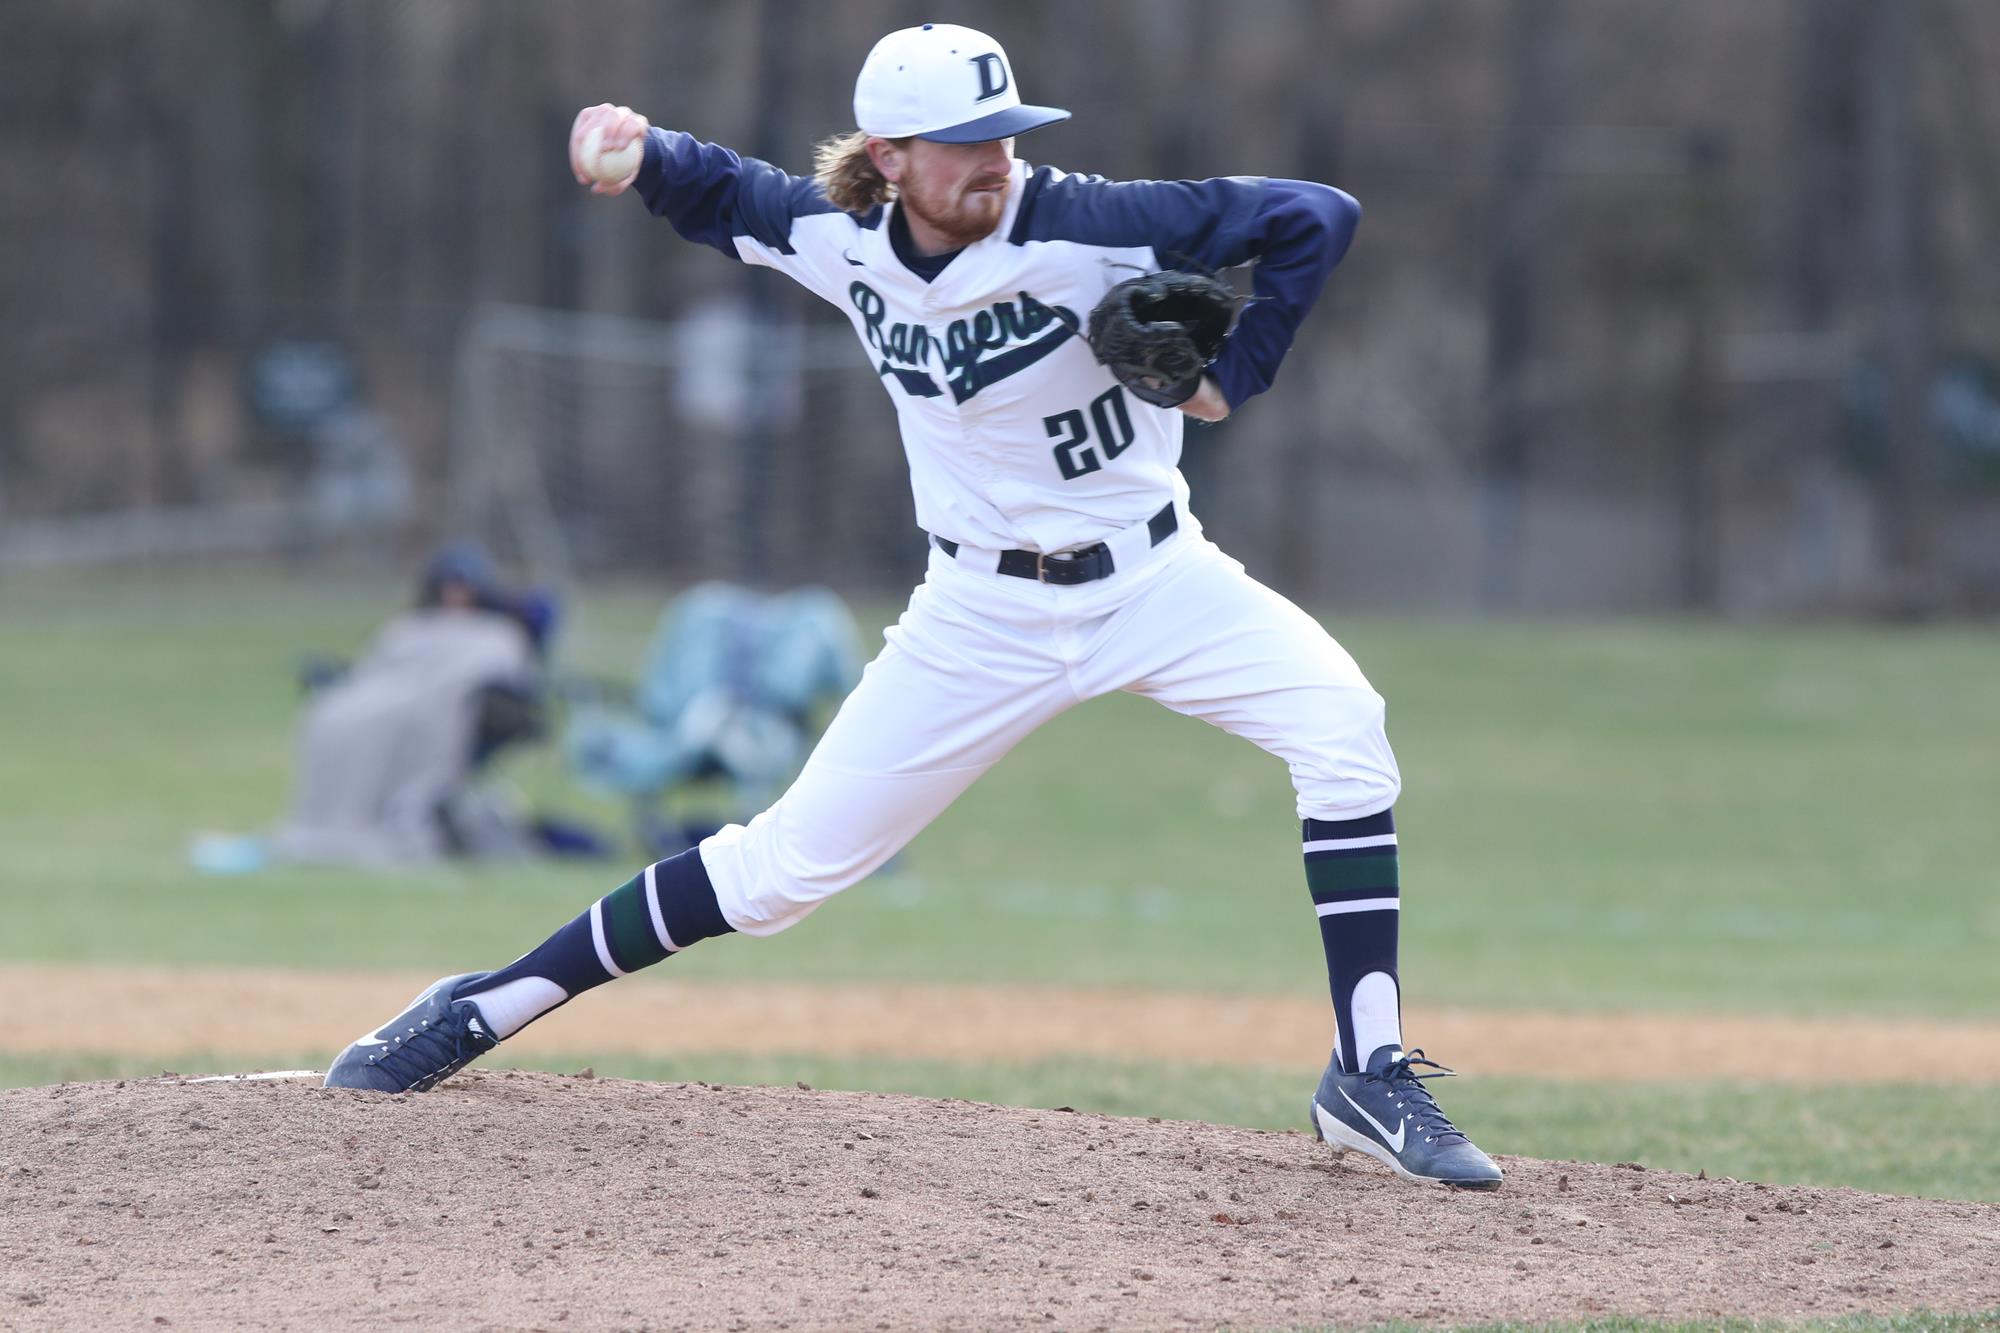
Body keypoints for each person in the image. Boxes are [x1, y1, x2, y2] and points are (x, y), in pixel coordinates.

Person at [325, 24, 1502, 1191]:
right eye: (964, 142)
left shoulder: (1086, 218)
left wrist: (1223, 377)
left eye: (1006, 132)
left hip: (1156, 581)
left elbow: (1317, 215)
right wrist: (633, 153)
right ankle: (487, 1003)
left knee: (1345, 731)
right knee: (780, 874)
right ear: (888, 157)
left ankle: (1366, 1070)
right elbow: (727, 194)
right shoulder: (843, 238)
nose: (996, 158)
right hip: (977, 614)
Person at [266, 542, 553, 866]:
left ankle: (379, 819)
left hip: (430, 708)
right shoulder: (408, 629)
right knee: (334, 713)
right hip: (373, 701)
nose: (454, 597)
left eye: (463, 588)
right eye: (447, 587)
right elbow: (375, 669)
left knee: (388, 719)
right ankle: (328, 820)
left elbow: (478, 673)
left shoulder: (496, 634)